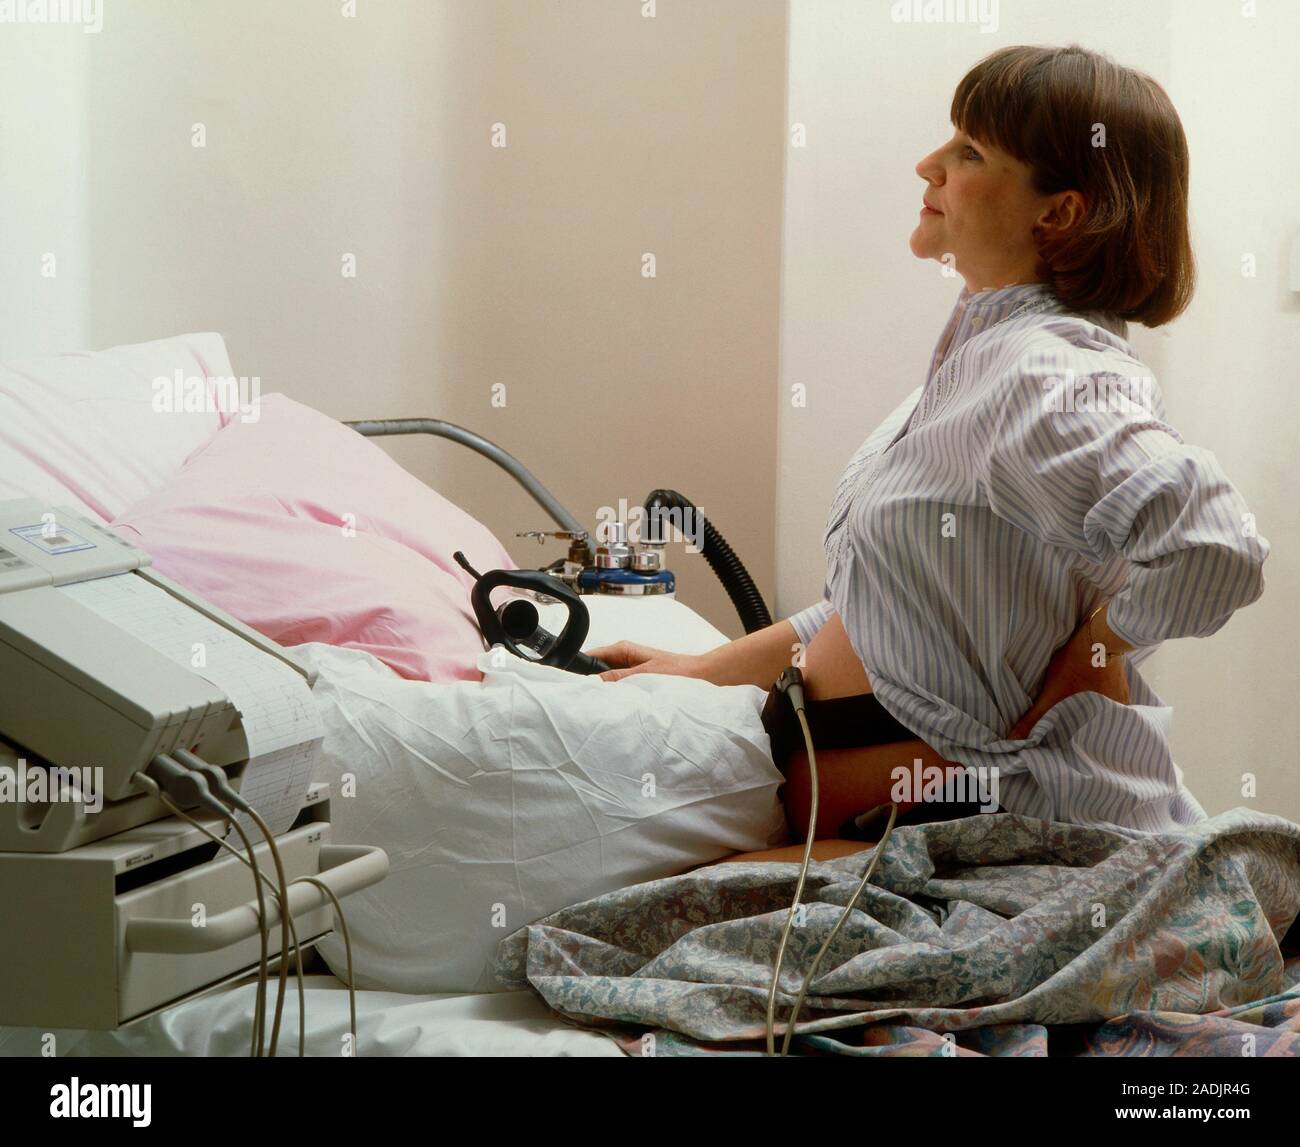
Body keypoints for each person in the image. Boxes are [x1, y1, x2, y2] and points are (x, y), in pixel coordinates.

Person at [588, 45, 1268, 855]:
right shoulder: (982, 362)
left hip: (975, 840)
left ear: (1058, 213)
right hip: (898, 829)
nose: (928, 164)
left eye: (970, 153)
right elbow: (885, 609)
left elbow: (1218, 549)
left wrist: (1095, 654)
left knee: (580, 952)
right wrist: (696, 671)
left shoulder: (1046, 373)